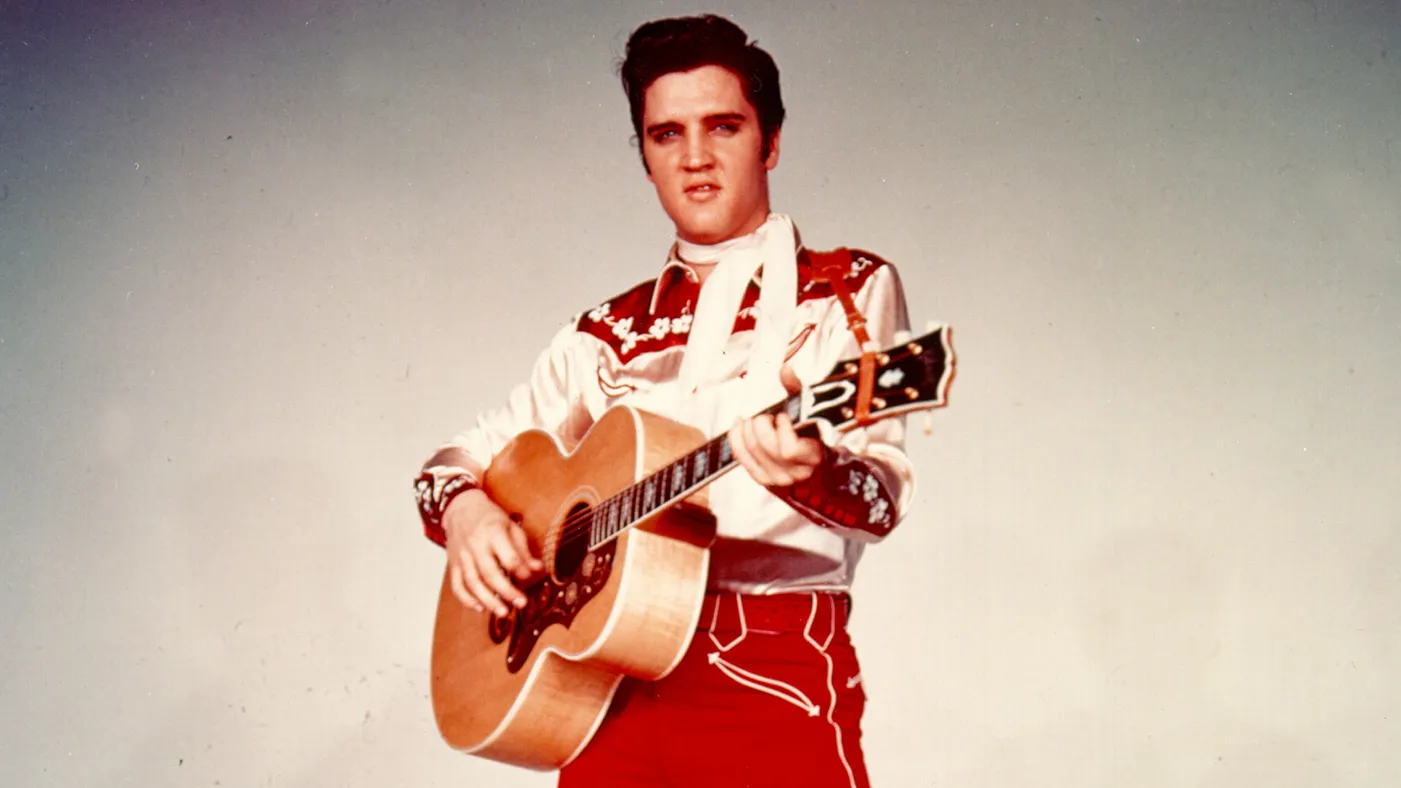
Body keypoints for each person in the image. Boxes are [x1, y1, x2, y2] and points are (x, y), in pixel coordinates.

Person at [413, 14, 918, 788]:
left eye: (723, 127)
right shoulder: (604, 334)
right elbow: (453, 463)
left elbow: (878, 499)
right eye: (665, 135)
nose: (695, 159)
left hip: (771, 669)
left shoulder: (845, 290)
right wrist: (467, 513)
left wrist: (808, 470)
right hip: (610, 684)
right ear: (644, 158)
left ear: (770, 141)